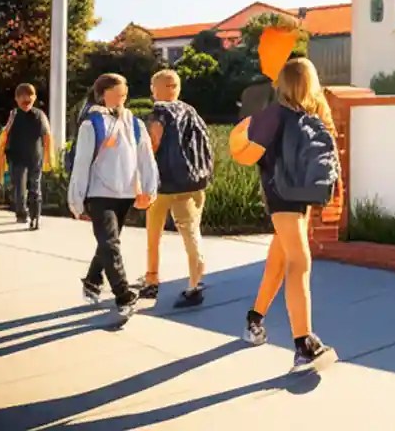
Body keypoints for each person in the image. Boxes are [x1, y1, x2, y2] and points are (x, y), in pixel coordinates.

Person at [229, 57, 339, 375]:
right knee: (299, 262)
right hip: (283, 198)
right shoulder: (276, 116)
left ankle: (255, 320)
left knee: (279, 262)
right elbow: (243, 147)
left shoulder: (302, 116)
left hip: (294, 198)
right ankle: (304, 344)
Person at [68, 73, 159, 318]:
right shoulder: (92, 124)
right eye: (118, 92)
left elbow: (146, 158)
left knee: (108, 244)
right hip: (99, 194)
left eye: (124, 93)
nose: (122, 97)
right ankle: (123, 295)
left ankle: (92, 280)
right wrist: (77, 200)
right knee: (110, 244)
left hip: (126, 193)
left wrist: (150, 188)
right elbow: (81, 163)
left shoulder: (134, 123)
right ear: (103, 93)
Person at [135, 69, 214, 308]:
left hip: (163, 185)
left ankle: (152, 279)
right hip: (193, 182)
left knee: (154, 234)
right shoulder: (191, 111)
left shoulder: (158, 113)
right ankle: (195, 285)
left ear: (154, 89)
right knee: (192, 233)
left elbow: (153, 144)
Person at [2, 84, 54, 229]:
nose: (26, 99)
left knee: (35, 187)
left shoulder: (40, 115)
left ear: (35, 98)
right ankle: (21, 213)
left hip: (34, 157)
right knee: (19, 187)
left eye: (30, 96)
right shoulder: (14, 114)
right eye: (22, 97)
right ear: (16, 99)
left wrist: (49, 156)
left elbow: (47, 136)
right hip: (17, 157)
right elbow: (5, 133)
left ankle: (35, 217)